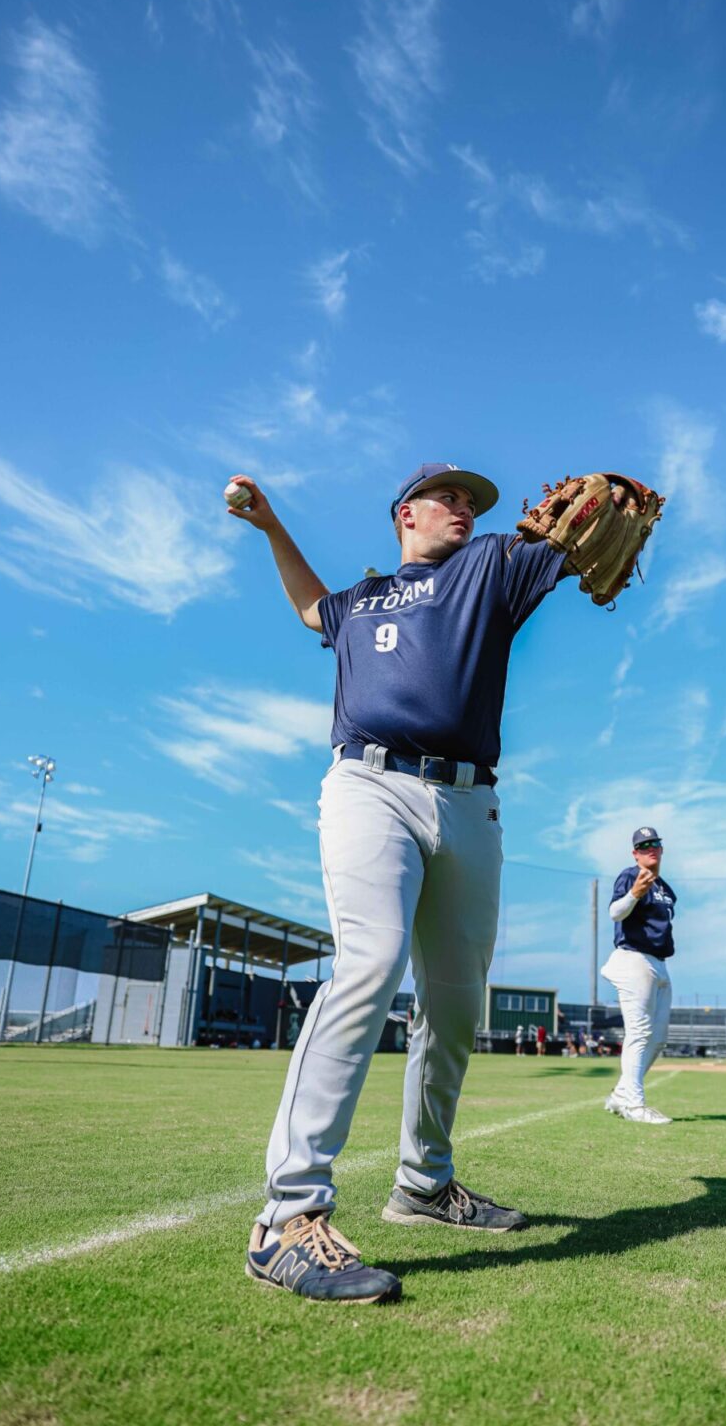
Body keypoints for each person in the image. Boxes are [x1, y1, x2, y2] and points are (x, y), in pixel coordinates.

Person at [229, 462, 573, 1303]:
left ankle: (424, 1183)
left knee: (456, 1006)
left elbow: (570, 538)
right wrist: (272, 526)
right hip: (369, 784)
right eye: (448, 496)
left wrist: (593, 513)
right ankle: (287, 1218)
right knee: (371, 961)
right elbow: (311, 606)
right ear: (404, 515)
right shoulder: (362, 600)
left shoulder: (490, 567)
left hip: (470, 803)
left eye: (472, 502)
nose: (465, 508)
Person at [601, 826, 676, 1125]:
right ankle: (634, 1104)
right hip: (634, 959)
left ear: (661, 848)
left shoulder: (666, 889)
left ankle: (621, 1094)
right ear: (635, 853)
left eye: (654, 843)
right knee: (640, 1033)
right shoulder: (630, 876)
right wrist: (634, 894)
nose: (650, 848)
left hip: (660, 962)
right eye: (643, 846)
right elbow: (615, 913)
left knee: (657, 1039)